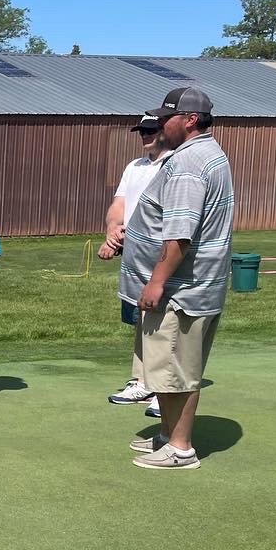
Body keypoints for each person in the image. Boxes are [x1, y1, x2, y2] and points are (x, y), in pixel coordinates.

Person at [119, 87, 234, 469]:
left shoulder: (189, 163)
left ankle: (181, 448)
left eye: (166, 117)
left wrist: (155, 282)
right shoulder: (197, 156)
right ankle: (169, 435)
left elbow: (179, 233)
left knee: (176, 370)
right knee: (164, 368)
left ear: (189, 120)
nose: (159, 124)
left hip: (181, 288)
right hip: (186, 284)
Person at [99, 115, 171, 408]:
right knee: (140, 318)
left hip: (161, 251)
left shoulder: (173, 165)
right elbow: (119, 205)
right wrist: (111, 232)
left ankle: (164, 387)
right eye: (142, 131)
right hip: (133, 253)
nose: (145, 135)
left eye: (151, 130)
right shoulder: (134, 166)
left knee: (164, 320)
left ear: (164, 132)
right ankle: (142, 382)